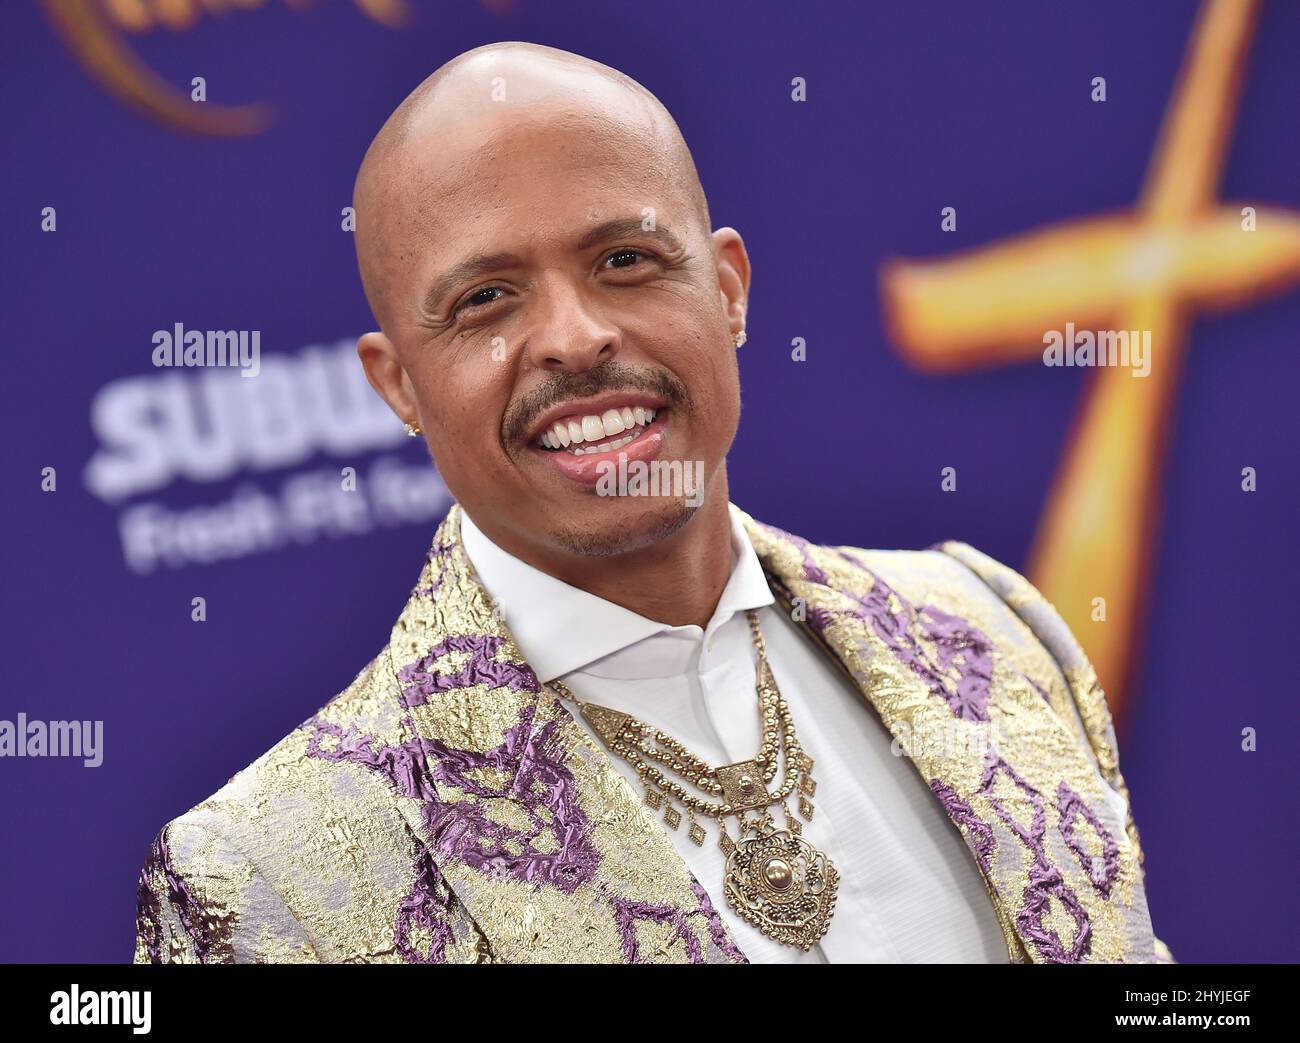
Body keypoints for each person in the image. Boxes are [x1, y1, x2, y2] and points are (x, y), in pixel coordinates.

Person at [133, 41, 1174, 964]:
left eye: (623, 260)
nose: (575, 337)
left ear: (727, 289)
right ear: (398, 384)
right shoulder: (268, 875)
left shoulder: (992, 633)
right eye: (486, 298)